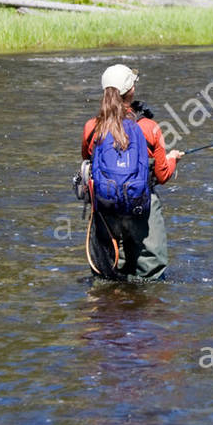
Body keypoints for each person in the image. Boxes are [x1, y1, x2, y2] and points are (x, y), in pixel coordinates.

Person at [81, 63, 184, 280]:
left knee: (110, 272)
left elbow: (87, 159)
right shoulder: (149, 127)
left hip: (106, 206)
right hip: (141, 206)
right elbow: (163, 175)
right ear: (131, 91)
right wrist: (172, 158)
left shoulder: (92, 128)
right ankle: (141, 307)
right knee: (149, 273)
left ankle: (113, 304)